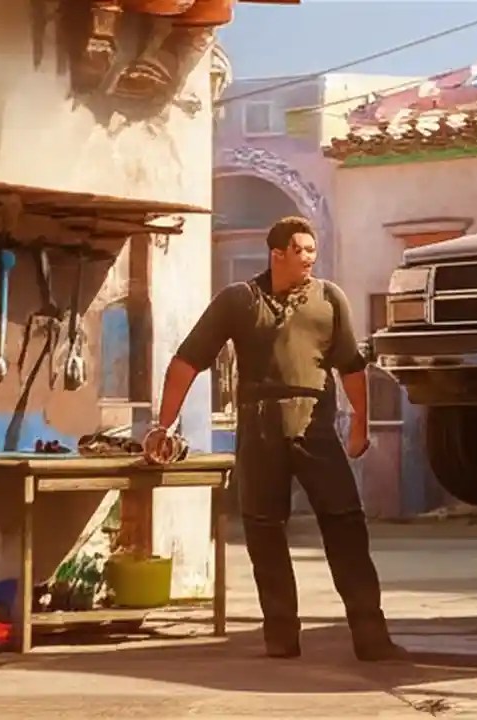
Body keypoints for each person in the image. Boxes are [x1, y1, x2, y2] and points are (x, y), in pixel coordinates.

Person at [142, 216, 405, 661]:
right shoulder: (239, 301)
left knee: (345, 524)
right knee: (264, 531)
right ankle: (281, 636)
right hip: (260, 425)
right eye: (300, 249)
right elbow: (187, 361)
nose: (309, 257)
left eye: (312, 250)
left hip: (316, 426)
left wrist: (361, 419)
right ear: (277, 253)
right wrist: (163, 425)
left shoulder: (329, 299)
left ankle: (371, 636)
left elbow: (351, 365)